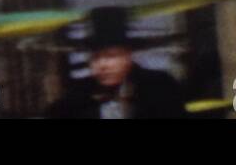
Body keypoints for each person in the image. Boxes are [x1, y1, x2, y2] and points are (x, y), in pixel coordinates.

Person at [47, 6, 187, 119]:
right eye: (95, 57)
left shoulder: (159, 87)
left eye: (111, 56)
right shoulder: (78, 95)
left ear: (128, 55)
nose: (102, 65)